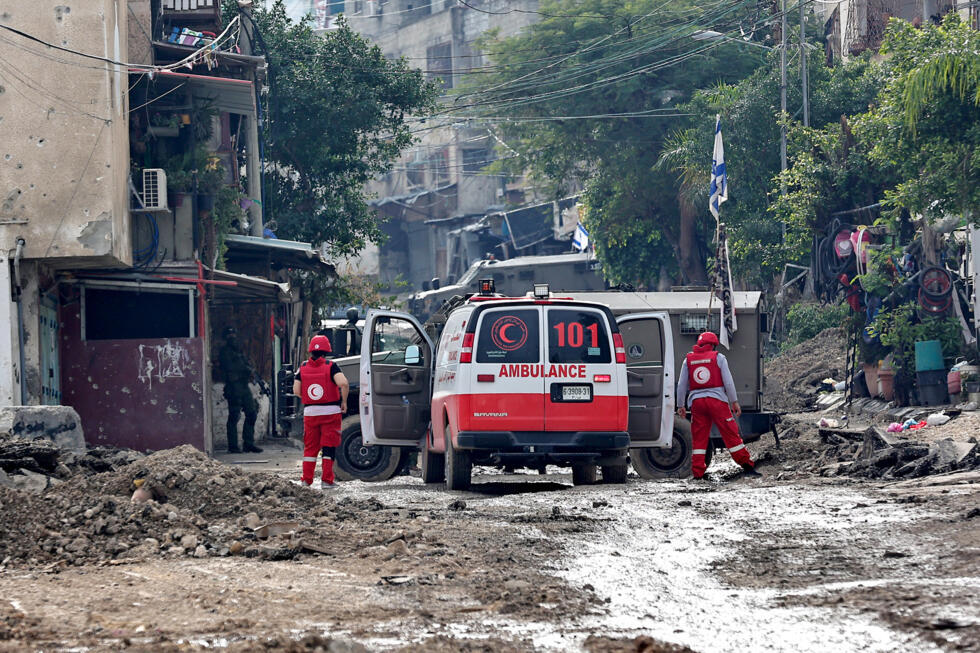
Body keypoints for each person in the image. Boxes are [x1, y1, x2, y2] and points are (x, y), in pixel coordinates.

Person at [676, 331, 760, 479]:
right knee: (730, 433)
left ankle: (697, 474)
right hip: (717, 401)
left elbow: (681, 385)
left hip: (697, 403)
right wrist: (734, 401)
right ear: (714, 345)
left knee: (699, 438)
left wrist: (680, 405)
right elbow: (728, 381)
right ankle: (747, 466)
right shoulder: (719, 358)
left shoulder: (688, 359)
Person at [293, 335, 350, 489]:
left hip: (310, 413)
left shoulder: (302, 367)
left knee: (310, 447)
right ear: (327, 350)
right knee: (328, 446)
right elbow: (343, 383)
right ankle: (326, 481)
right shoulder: (331, 366)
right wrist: (343, 402)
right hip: (330, 412)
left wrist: (310, 400)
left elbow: (296, 390)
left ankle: (306, 481)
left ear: (311, 350)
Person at [218, 327, 263, 454]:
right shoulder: (225, 352)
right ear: (226, 338)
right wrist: (246, 369)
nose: (232, 337)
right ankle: (233, 446)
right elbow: (231, 367)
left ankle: (248, 443)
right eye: (229, 335)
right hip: (233, 387)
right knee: (234, 416)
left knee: (252, 413)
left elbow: (246, 366)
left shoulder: (239, 352)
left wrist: (250, 370)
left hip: (243, 387)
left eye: (233, 334)